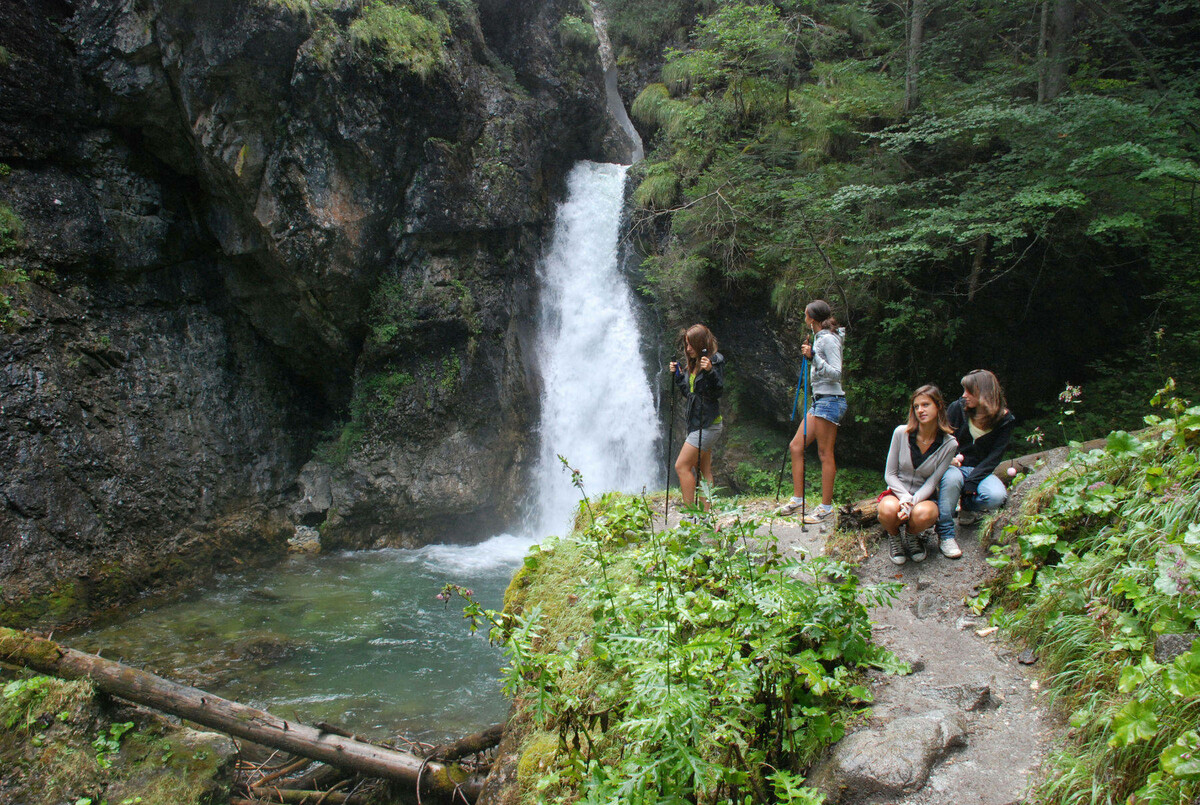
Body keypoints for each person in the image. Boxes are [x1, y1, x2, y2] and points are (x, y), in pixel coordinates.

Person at [776, 300, 846, 523]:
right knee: (796, 446)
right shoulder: (819, 337)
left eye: (805, 313)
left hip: (830, 401)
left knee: (825, 454)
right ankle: (798, 500)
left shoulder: (829, 340)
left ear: (812, 318)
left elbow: (836, 373)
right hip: (819, 402)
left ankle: (825, 507)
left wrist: (813, 356)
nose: (803, 315)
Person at [935, 369, 1016, 558]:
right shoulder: (958, 408)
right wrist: (950, 459)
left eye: (969, 391)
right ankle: (945, 535)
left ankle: (967, 506)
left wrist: (972, 481)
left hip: (981, 470)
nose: (964, 395)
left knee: (996, 497)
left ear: (984, 393)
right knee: (953, 478)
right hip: (954, 466)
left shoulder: (1005, 419)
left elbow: (994, 457)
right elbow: (942, 438)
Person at [879, 385, 958, 565]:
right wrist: (904, 498)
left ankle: (912, 536)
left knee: (925, 514)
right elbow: (890, 474)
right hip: (897, 492)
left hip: (923, 497)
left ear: (938, 406)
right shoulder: (901, 433)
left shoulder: (949, 444)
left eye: (925, 405)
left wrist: (912, 503)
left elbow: (932, 483)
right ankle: (894, 537)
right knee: (887, 509)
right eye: (916, 406)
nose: (920, 410)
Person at [669, 324, 724, 515]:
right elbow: (690, 394)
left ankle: (690, 512)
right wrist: (677, 375)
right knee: (703, 470)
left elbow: (718, 391)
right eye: (686, 344)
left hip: (708, 425)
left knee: (681, 466)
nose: (688, 348)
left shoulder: (714, 361)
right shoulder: (691, 365)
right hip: (696, 424)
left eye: (691, 344)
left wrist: (710, 371)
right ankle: (706, 515)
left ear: (701, 343)